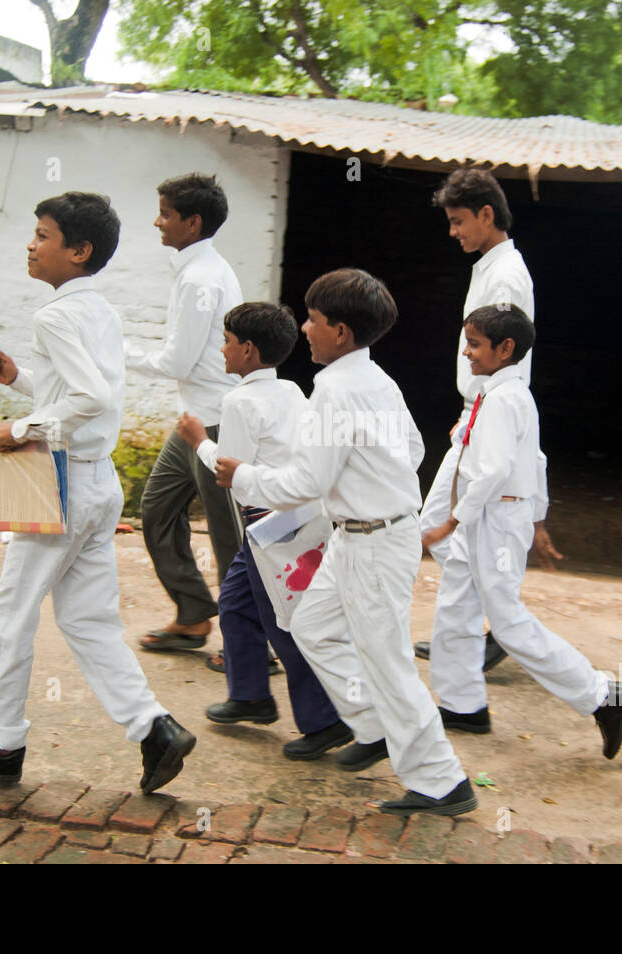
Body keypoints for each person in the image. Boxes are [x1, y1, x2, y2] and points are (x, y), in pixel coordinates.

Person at [0, 191, 195, 795]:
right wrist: (21, 380)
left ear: (79, 251)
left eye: (43, 235)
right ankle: (155, 731)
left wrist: (17, 428)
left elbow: (89, 400)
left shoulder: (54, 315)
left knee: (9, 611)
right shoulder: (98, 310)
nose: (31, 243)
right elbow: (82, 396)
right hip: (98, 485)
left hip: (63, 484)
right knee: (89, 620)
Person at [215, 269, 476, 816]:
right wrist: (374, 485)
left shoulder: (335, 389)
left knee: (388, 662)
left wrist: (242, 477)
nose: (304, 328)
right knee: (308, 626)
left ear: (338, 331)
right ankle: (374, 724)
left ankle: (441, 780)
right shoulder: (374, 378)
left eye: (312, 319)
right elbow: (412, 449)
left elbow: (306, 483)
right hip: (363, 535)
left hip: (374, 541)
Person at [420, 305, 622, 750]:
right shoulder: (502, 394)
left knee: (508, 621)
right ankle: (463, 705)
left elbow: (496, 470)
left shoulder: (502, 399)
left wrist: (451, 523)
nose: (466, 352)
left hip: (494, 519)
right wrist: (538, 523)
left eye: (475, 344)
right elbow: (534, 461)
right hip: (495, 516)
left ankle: (604, 695)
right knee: (455, 604)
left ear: (506, 348)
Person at [175, 302, 352, 761]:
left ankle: (324, 719)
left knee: (283, 621)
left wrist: (198, 440)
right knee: (235, 605)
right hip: (299, 519)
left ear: (248, 350)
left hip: (269, 526)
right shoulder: (293, 390)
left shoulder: (238, 401)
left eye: (228, 341)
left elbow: (230, 472)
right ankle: (249, 695)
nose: (222, 349)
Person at [413, 167, 562, 670]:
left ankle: (492, 626)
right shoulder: (489, 266)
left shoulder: (505, 274)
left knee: (442, 523)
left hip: (486, 411)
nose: (452, 232)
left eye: (458, 222)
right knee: (439, 524)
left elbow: (506, 352)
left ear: (486, 214)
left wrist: (478, 412)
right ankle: (469, 631)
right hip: (475, 412)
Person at [128, 173, 243, 656]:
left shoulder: (201, 277)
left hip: (216, 423)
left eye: (167, 214)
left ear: (192, 222)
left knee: (228, 539)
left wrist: (114, 351)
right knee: (155, 511)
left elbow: (177, 361)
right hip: (193, 419)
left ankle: (249, 643)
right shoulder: (198, 268)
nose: (158, 221)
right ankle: (194, 614)